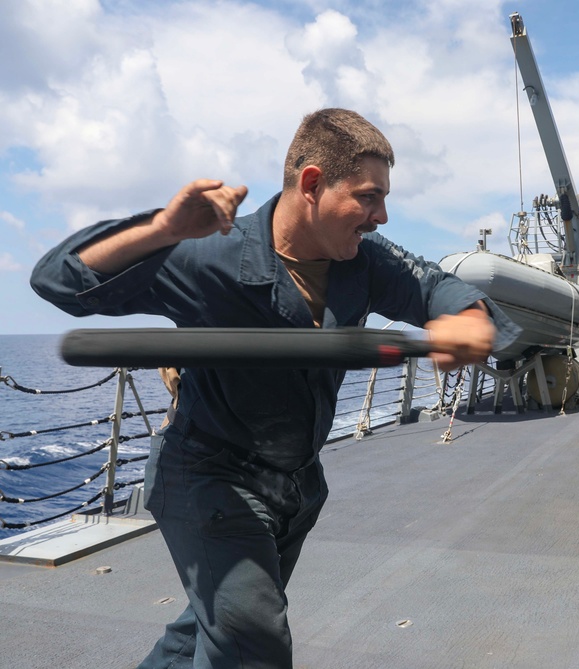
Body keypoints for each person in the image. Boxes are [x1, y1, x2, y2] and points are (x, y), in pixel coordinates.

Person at [30, 108, 519, 669]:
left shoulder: (363, 262)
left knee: (207, 633)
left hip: (295, 486)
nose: (380, 216)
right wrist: (164, 230)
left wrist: (469, 317)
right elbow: (59, 280)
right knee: (250, 641)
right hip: (210, 478)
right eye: (368, 197)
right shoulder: (211, 253)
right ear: (312, 184)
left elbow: (432, 286)